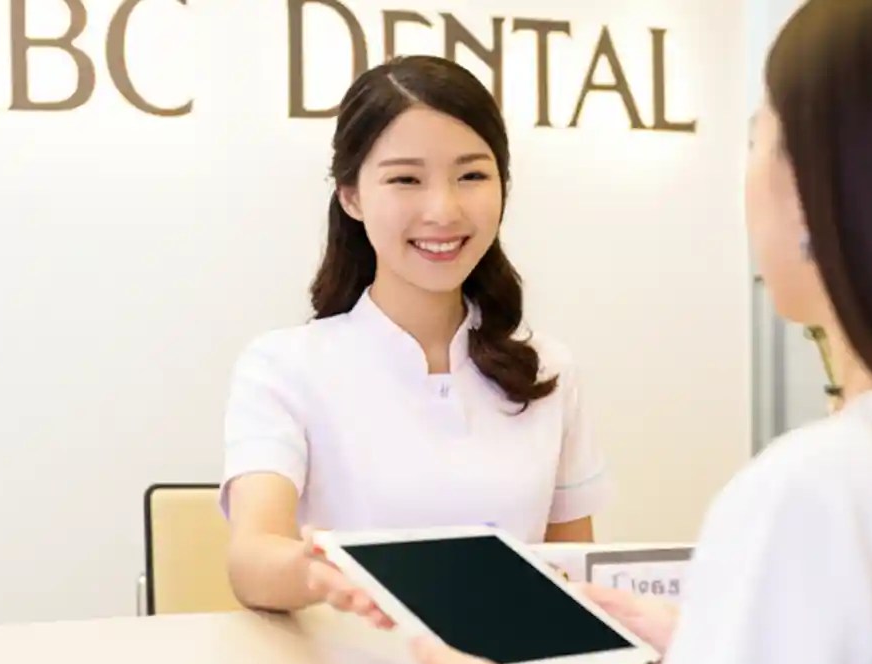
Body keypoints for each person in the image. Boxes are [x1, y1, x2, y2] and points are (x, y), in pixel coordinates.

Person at [318, 0, 872, 664]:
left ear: (811, 194)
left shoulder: (811, 495)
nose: (442, 209)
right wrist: (712, 656)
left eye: (755, 139)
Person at [222, 55, 610, 613]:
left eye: (472, 176)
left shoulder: (547, 370)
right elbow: (253, 561)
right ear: (351, 195)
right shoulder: (283, 367)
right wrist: (334, 572)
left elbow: (578, 580)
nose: (443, 210)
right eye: (406, 179)